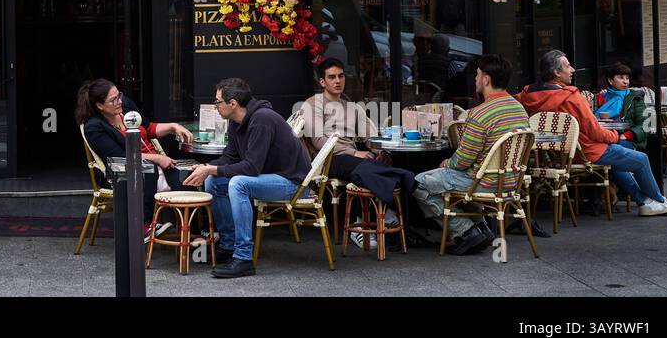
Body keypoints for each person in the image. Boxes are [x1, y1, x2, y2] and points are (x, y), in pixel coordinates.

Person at [517, 50, 667, 216]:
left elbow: (514, 103)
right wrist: (614, 136)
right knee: (641, 160)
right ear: (557, 72)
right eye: (568, 66)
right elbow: (593, 130)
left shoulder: (528, 95)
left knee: (620, 164)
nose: (572, 70)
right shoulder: (572, 97)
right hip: (588, 151)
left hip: (558, 155)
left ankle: (646, 202)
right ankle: (658, 200)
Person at [181, 77, 311, 279]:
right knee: (213, 181)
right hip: (270, 176)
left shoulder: (262, 119)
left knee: (238, 183)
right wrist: (206, 167)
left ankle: (243, 258)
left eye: (217, 102)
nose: (215, 106)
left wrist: (210, 170)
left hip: (292, 182)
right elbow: (230, 158)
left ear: (232, 103)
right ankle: (228, 245)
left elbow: (251, 167)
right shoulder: (236, 120)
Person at [412, 54, 531, 254]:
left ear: (486, 79)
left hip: (484, 183)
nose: (475, 79)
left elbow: (464, 159)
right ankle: (481, 228)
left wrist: (447, 163)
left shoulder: (480, 113)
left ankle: (465, 232)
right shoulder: (519, 108)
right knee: (461, 175)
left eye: (477, 75)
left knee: (419, 182)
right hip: (512, 181)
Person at [300, 59, 415, 242]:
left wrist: (380, 152)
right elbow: (319, 141)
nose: (338, 81)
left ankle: (375, 220)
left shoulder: (352, 108)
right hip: (328, 159)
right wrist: (354, 152)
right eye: (332, 77)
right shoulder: (312, 105)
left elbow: (369, 138)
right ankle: (379, 216)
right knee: (363, 166)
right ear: (322, 82)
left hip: (352, 160)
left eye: (341, 76)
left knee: (369, 166)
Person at [75, 78, 194, 229]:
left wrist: (173, 127)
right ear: (100, 106)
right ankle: (144, 226)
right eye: (113, 100)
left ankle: (192, 234)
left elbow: (149, 128)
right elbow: (119, 157)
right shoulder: (94, 127)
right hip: (125, 172)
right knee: (147, 170)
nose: (119, 101)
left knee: (187, 182)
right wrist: (157, 158)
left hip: (157, 165)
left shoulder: (126, 108)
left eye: (119, 95)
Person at [594, 62, 648, 152]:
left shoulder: (635, 98)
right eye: (621, 77)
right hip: (603, 136)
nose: (625, 81)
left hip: (626, 139)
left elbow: (645, 124)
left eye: (627, 78)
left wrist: (626, 136)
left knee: (618, 149)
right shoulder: (600, 98)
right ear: (610, 80)